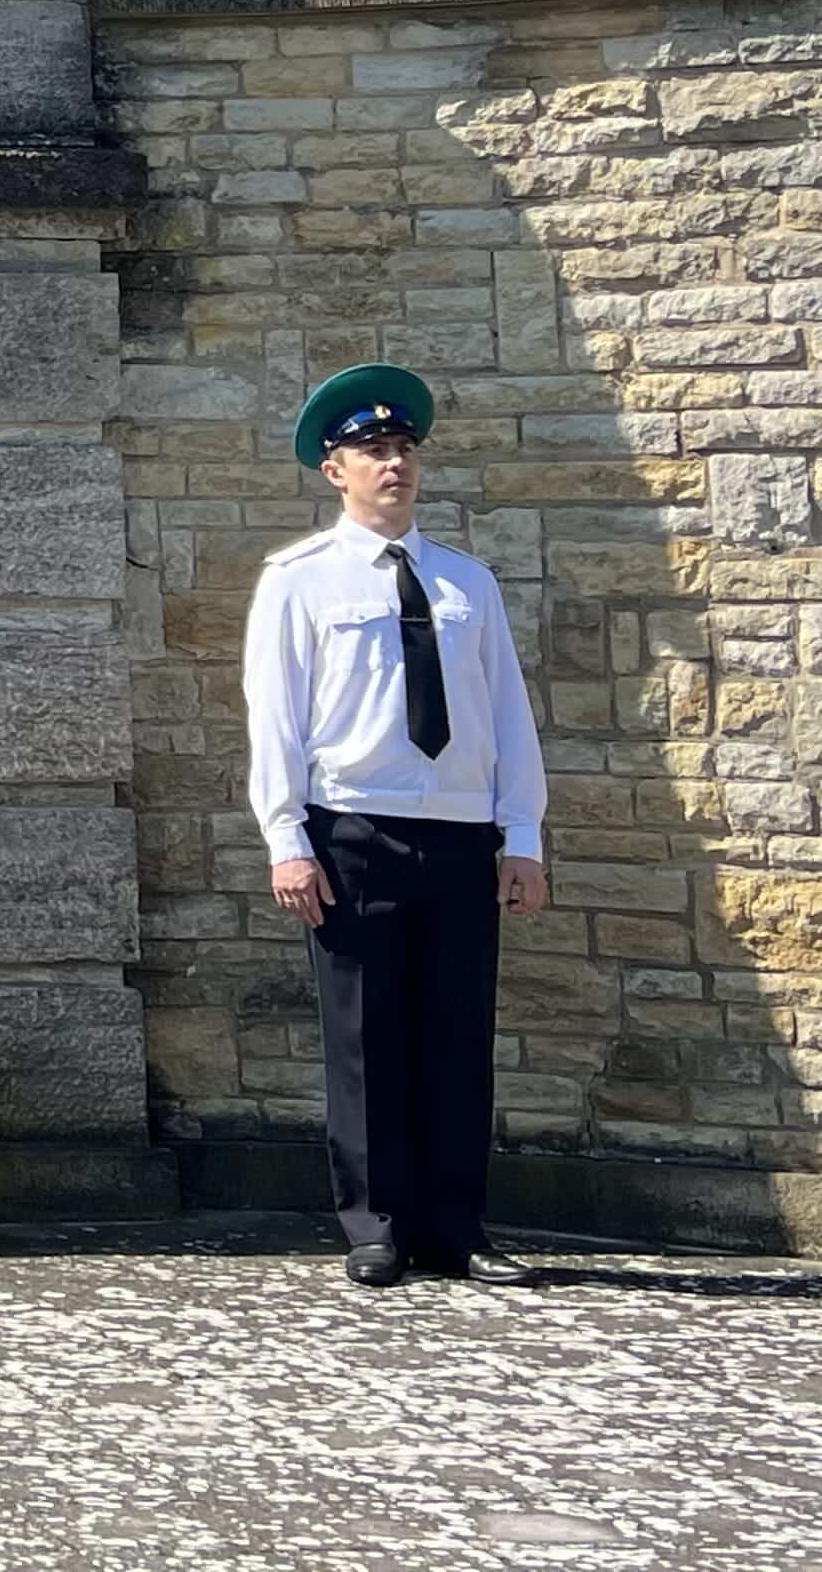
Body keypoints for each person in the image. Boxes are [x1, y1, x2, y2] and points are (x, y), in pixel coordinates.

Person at [242, 364, 548, 1286]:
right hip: (353, 833)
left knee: (457, 1033)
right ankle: (374, 1225)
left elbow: (507, 711)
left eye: (404, 448)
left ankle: (458, 1230)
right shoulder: (298, 581)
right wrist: (286, 839)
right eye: (374, 450)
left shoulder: (467, 582)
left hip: (457, 834)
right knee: (366, 1038)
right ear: (334, 469)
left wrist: (522, 834)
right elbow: (276, 714)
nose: (395, 464)